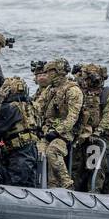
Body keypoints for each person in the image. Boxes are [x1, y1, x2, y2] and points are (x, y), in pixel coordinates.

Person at [34, 58, 82, 189]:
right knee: (37, 151)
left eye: (49, 72)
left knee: (53, 151)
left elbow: (72, 117)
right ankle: (46, 184)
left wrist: (57, 131)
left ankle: (67, 184)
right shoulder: (50, 89)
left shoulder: (73, 90)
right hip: (47, 131)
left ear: (58, 72)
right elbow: (38, 107)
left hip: (65, 133)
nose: (46, 75)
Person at [0, 76, 40, 186]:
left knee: (15, 183)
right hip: (32, 149)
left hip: (18, 153)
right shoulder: (30, 105)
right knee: (30, 182)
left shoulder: (9, 108)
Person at [71, 63, 108, 190]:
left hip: (97, 136)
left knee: (95, 163)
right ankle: (72, 188)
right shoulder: (79, 93)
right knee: (75, 163)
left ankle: (94, 190)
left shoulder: (107, 95)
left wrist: (98, 132)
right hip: (81, 133)